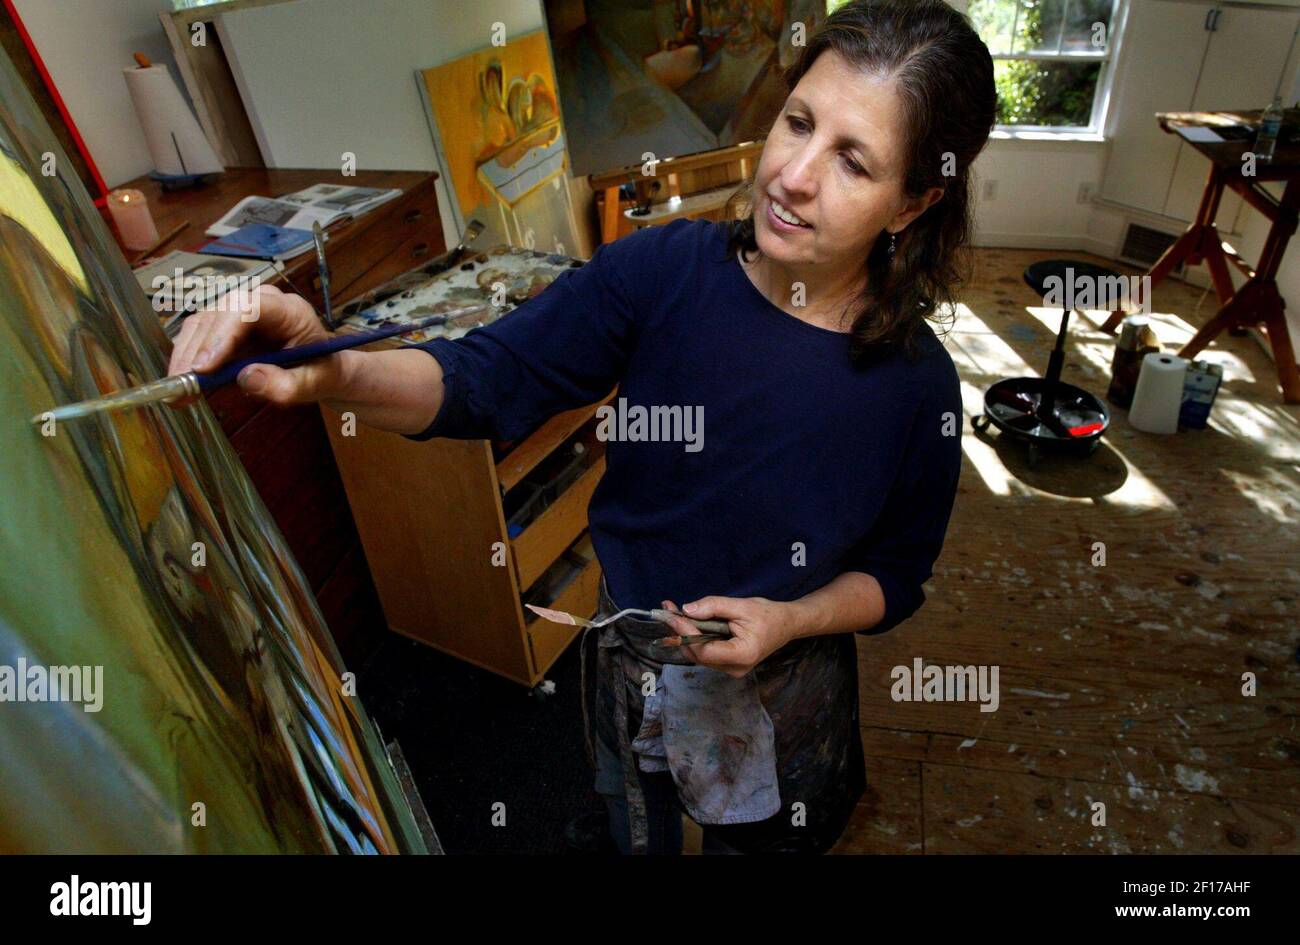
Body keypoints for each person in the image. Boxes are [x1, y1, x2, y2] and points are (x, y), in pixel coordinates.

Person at [169, 0, 996, 854]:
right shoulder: (658, 274)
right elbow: (484, 379)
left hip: (787, 680)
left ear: (911, 204)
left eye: (853, 162)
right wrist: (333, 365)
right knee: (632, 829)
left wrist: (789, 620)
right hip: (629, 653)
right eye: (797, 123)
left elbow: (896, 577)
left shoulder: (915, 387)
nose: (793, 175)